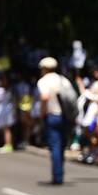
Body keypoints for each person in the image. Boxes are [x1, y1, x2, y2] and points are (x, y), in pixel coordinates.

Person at [36, 56, 67, 184]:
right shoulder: (63, 80)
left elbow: (44, 98)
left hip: (52, 115)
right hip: (65, 116)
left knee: (54, 145)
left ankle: (57, 176)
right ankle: (60, 173)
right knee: (62, 145)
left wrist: (42, 113)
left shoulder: (44, 81)